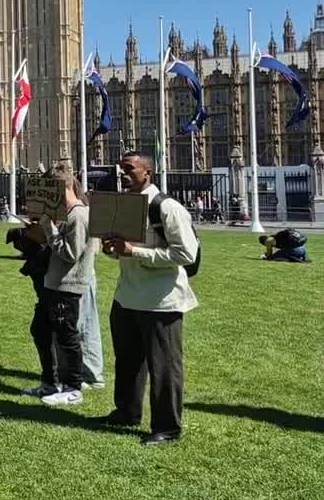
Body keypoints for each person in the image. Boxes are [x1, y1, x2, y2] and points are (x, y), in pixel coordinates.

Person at [101, 152, 198, 446]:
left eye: (129, 169)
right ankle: (127, 411)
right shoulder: (121, 205)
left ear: (148, 173)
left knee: (164, 366)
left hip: (161, 300)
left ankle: (167, 427)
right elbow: (120, 249)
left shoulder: (166, 208)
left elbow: (186, 254)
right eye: (120, 169)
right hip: (127, 296)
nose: (122, 174)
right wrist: (112, 249)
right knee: (128, 361)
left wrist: (136, 252)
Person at [23, 165, 96, 405]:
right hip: (53, 283)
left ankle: (73, 387)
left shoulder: (78, 215)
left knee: (67, 337)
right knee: (41, 331)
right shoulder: (66, 214)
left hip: (68, 285)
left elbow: (70, 253)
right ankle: (49, 382)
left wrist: (47, 228)